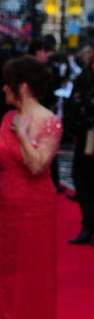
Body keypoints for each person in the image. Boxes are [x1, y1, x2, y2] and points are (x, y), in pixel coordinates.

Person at [0, 56, 63, 319]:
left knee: (31, 281)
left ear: (24, 87)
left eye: (8, 83)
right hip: (0, 207)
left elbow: (37, 165)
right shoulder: (6, 117)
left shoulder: (50, 122)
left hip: (34, 212)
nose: (3, 88)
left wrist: (19, 135)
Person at [65, 45, 94, 244]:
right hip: (84, 134)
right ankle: (88, 225)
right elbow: (73, 99)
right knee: (80, 177)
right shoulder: (84, 75)